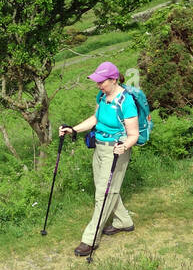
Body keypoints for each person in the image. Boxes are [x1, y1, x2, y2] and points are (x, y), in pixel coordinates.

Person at [60, 61, 141, 257]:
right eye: (97, 82)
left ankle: (90, 239)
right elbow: (95, 118)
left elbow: (134, 134)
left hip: (116, 152)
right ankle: (124, 221)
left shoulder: (126, 102)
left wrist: (125, 146)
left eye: (101, 82)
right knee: (105, 189)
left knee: (104, 194)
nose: (98, 85)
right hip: (99, 148)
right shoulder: (102, 96)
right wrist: (74, 129)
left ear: (113, 80)